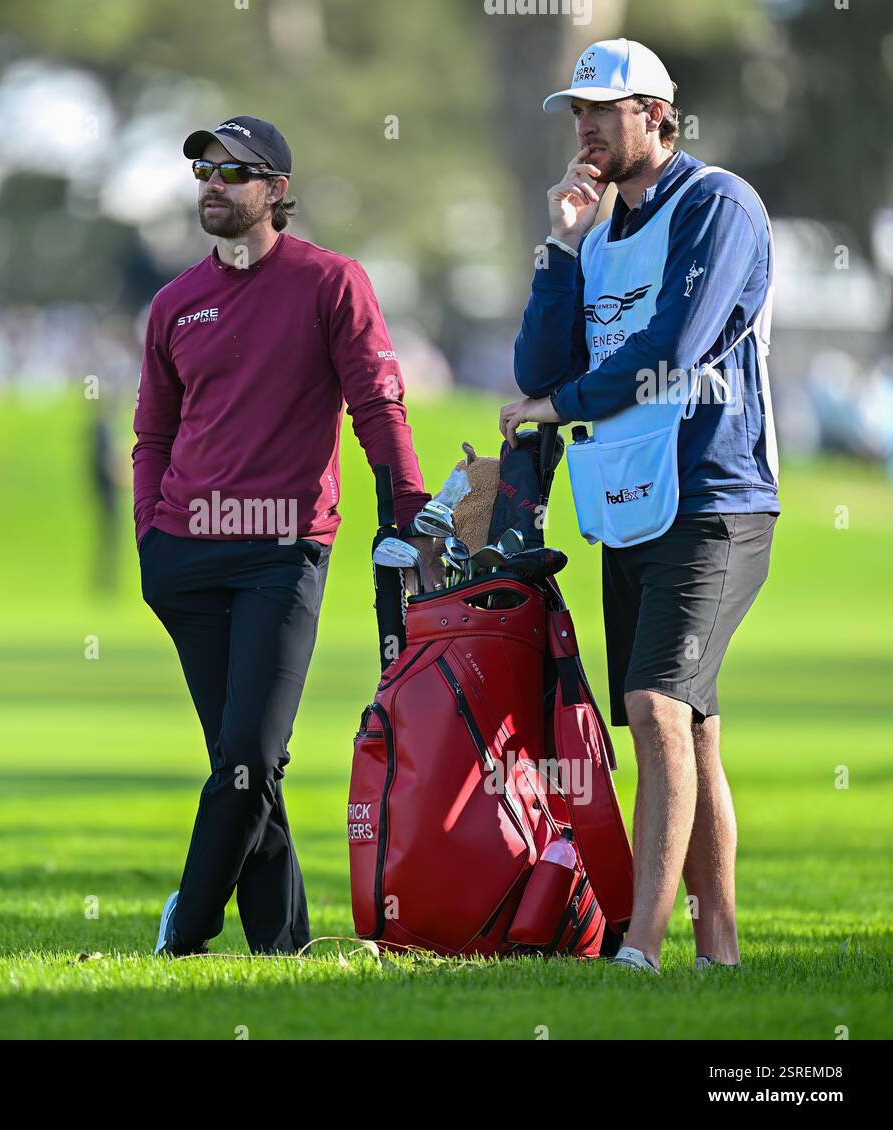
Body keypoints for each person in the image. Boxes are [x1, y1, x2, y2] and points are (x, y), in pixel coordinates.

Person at [501, 40, 779, 973]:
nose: (583, 127)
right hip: (631, 502)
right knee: (690, 723)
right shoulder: (602, 229)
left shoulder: (720, 204)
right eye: (575, 110)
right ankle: (721, 954)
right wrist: (561, 246)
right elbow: (540, 366)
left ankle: (642, 947)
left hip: (718, 496)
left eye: (602, 110)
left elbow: (676, 345)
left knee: (656, 700)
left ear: (658, 116)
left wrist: (560, 408)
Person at [133, 116, 438, 956]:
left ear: (276, 191)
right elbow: (152, 436)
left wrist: (408, 518)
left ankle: (185, 931)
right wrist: (147, 536)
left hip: (284, 550)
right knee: (244, 762)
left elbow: (378, 406)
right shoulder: (173, 304)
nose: (211, 184)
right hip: (185, 557)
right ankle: (282, 946)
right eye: (202, 170)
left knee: (250, 754)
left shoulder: (331, 284)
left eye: (233, 172)